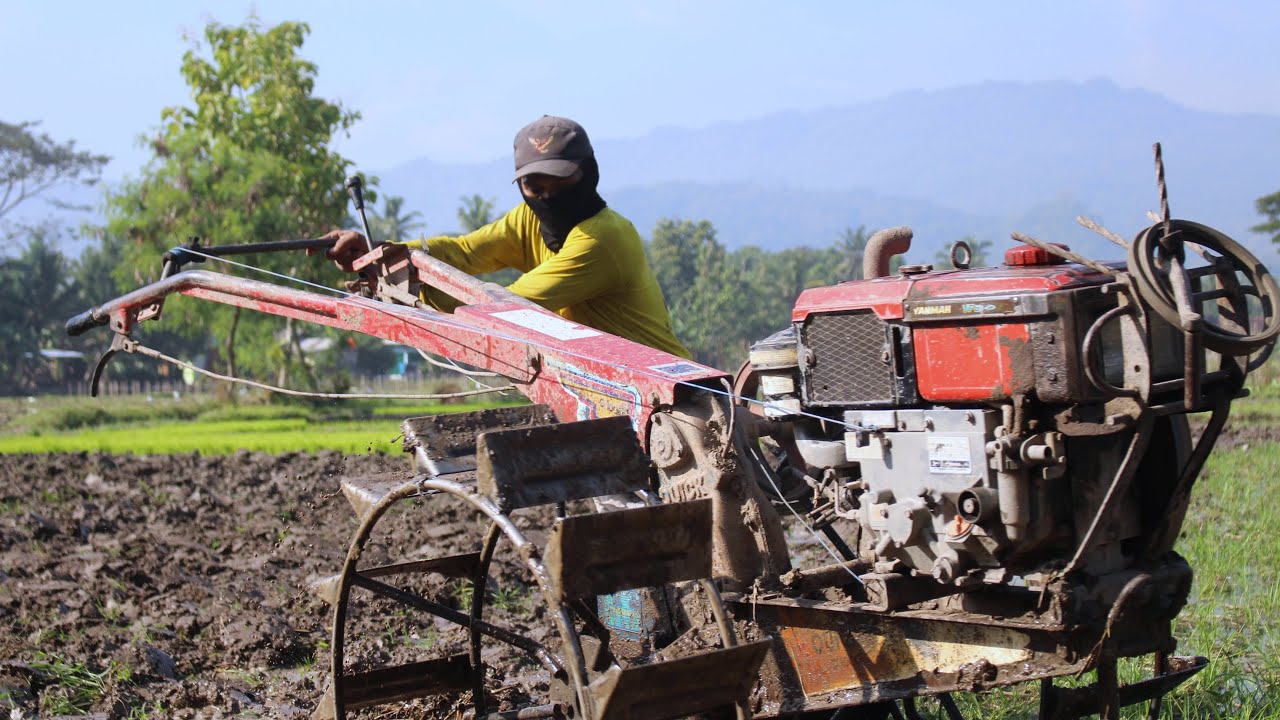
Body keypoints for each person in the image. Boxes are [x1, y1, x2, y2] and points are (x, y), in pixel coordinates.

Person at [320, 115, 691, 359]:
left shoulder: (603, 239)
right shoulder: (527, 220)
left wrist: (412, 289)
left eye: (559, 182)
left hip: (668, 397)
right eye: (533, 185)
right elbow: (465, 252)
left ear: (587, 173)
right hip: (603, 391)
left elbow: (510, 310)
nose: (546, 196)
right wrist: (382, 253)